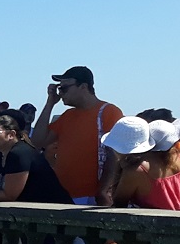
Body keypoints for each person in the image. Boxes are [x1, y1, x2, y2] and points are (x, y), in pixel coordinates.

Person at [30, 65, 124, 204]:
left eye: (64, 88)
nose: (60, 93)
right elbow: (37, 142)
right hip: (63, 195)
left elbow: (115, 155)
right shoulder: (67, 116)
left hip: (92, 197)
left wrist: (104, 191)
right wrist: (50, 103)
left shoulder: (109, 112)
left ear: (83, 87)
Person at [0, 114, 71, 204]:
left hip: (52, 209)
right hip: (29, 209)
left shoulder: (20, 153)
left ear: (11, 134)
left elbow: (10, 195)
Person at [102, 116, 180, 211]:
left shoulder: (135, 171)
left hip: (170, 221)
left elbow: (119, 203)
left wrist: (118, 166)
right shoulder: (175, 154)